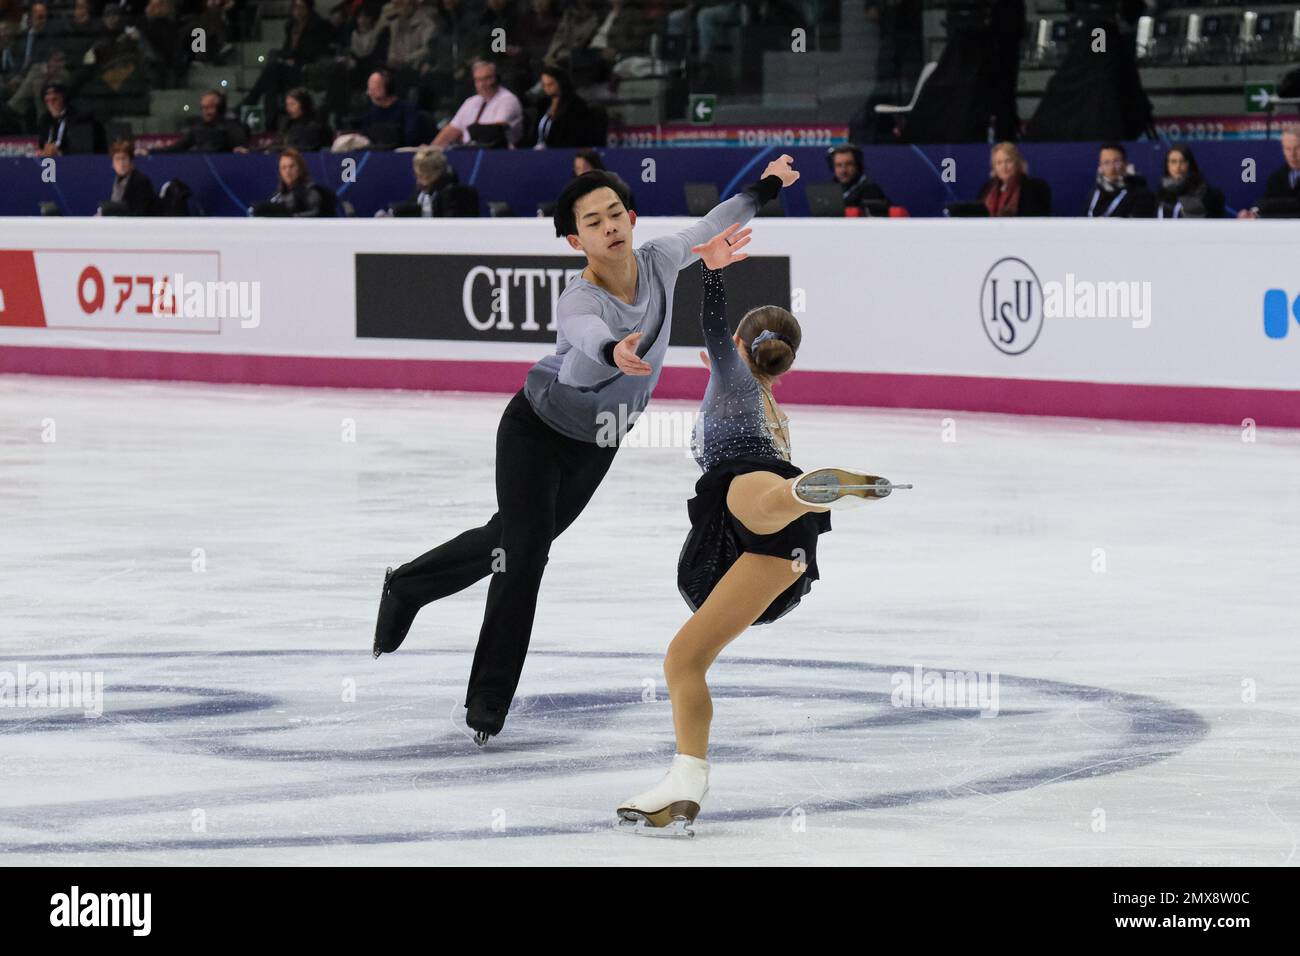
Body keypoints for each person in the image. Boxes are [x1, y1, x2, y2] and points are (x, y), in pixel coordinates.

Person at [371, 155, 804, 744]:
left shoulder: (659, 260)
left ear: (632, 216)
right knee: (524, 559)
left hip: (597, 445)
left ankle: (410, 585)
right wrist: (611, 351)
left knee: (512, 541)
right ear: (576, 239)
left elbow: (713, 223)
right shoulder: (580, 298)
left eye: (615, 214)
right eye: (593, 222)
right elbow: (582, 334)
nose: (609, 227)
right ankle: (488, 703)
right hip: (536, 431)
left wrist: (769, 183)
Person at [616, 223, 908, 835]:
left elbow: (714, 330)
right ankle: (809, 492)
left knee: (684, 657)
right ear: (788, 358)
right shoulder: (773, 406)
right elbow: (722, 347)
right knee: (688, 653)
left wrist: (715, 269)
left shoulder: (735, 376)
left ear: (745, 348)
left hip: (743, 491)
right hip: (784, 543)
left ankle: (687, 778)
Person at [430, 58, 523, 148]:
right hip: (468, 152)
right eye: (478, 80)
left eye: (487, 78)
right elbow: (451, 130)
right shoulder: (471, 102)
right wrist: (430, 150)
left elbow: (494, 134)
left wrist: (464, 138)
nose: (482, 84)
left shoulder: (508, 100)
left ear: (497, 78)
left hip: (496, 154)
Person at [148, 89, 248, 152]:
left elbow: (241, 149)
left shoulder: (232, 126)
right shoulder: (198, 128)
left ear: (220, 108)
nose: (205, 112)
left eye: (210, 108)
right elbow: (179, 146)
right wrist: (150, 151)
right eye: (203, 108)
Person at [1238, 127, 1300, 219]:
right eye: (1287, 148)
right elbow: (1267, 202)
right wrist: (1254, 213)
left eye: (1297, 148)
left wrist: (1264, 206)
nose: (1292, 154)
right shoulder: (1276, 177)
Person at [532, 64, 599, 149]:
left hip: (562, 151)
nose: (547, 88)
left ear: (561, 82)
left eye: (550, 84)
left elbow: (575, 137)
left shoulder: (575, 105)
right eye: (544, 85)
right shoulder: (543, 104)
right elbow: (536, 132)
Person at [976, 141, 1051, 216]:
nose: (1004, 167)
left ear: (1017, 163)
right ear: (994, 167)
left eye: (1008, 161)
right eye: (999, 163)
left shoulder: (1035, 187)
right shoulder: (987, 188)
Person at [1084, 142, 1154, 218]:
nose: (1112, 168)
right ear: (1100, 166)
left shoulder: (1141, 193)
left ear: (1125, 163)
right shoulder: (1094, 193)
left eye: (1116, 162)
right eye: (1106, 162)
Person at [1154, 144, 1224, 219]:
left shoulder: (1205, 192)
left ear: (1189, 164)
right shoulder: (1160, 193)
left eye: (1182, 161)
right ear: (1167, 165)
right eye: (1173, 161)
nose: (1178, 166)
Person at [262, 147, 329, 216]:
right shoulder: (277, 196)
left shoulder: (311, 193)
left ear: (300, 168)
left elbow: (315, 215)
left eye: (291, 166)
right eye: (284, 167)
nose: (287, 171)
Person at [827, 144, 890, 212]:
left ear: (858, 166)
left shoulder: (870, 189)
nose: (843, 170)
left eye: (848, 164)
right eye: (838, 165)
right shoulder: (830, 189)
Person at [103, 138, 156, 215]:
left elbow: (140, 211)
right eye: (117, 159)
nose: (121, 163)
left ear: (131, 161)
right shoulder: (117, 181)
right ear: (112, 164)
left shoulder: (141, 181)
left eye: (124, 158)